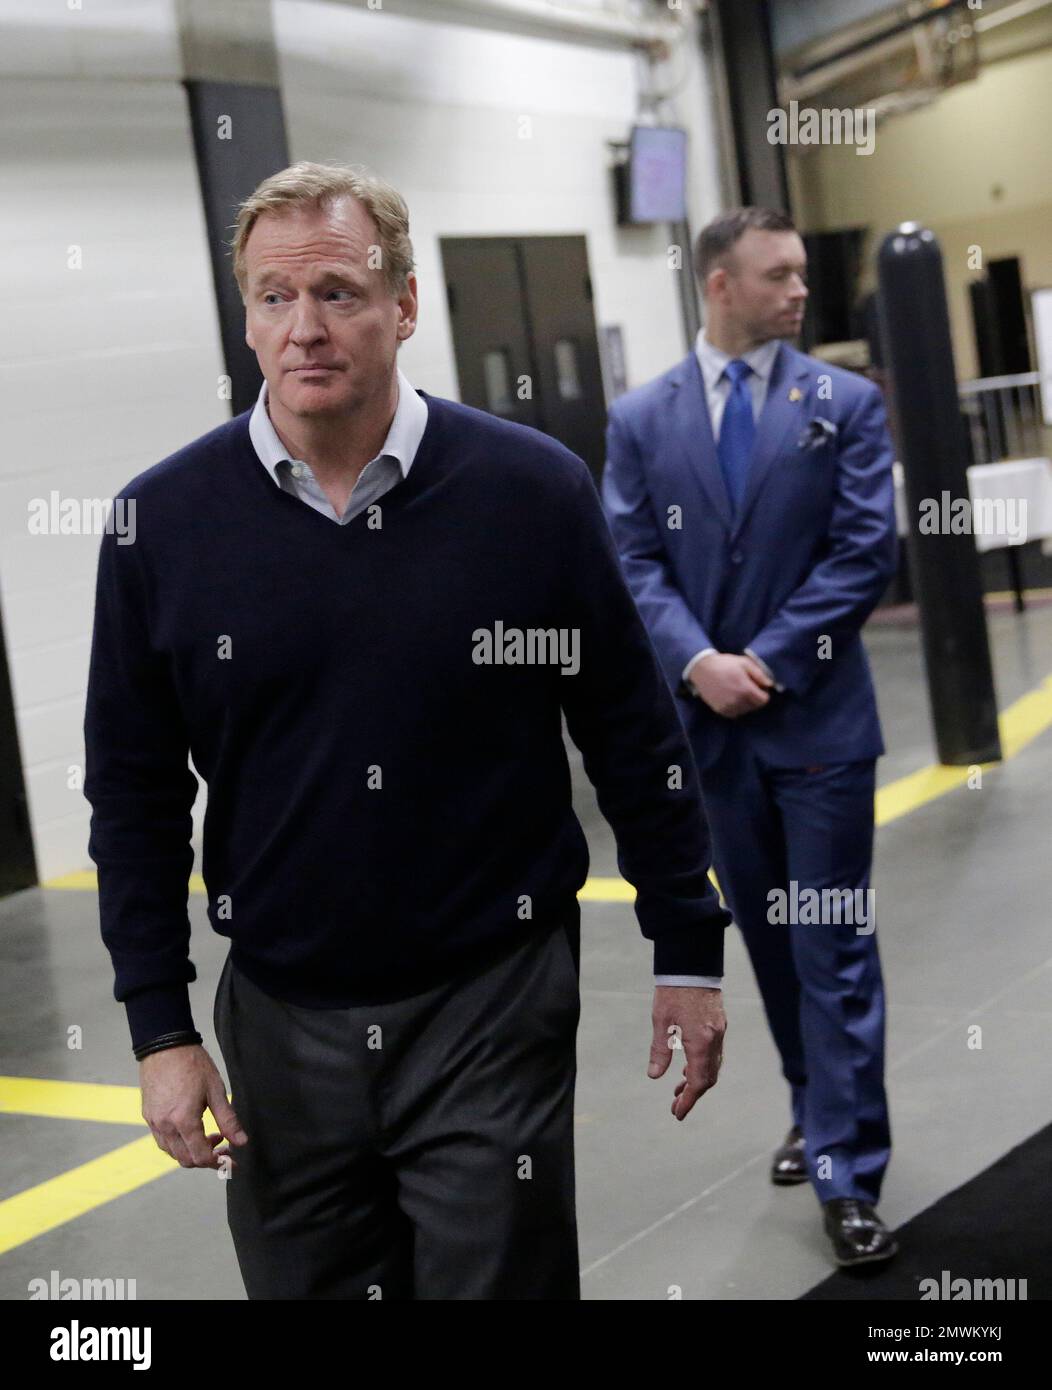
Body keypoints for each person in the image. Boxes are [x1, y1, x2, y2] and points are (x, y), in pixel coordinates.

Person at [83, 161, 731, 1300]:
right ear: (244, 318)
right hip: (280, 1015)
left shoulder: (528, 493)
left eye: (337, 291)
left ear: (404, 305)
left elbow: (629, 731)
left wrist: (685, 944)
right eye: (273, 299)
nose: (305, 328)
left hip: (491, 995)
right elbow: (132, 793)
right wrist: (157, 1028)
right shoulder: (162, 525)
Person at [601, 207, 899, 1268]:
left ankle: (848, 1170)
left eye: (802, 274)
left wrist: (762, 662)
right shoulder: (640, 419)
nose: (799, 290)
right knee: (766, 942)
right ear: (717, 285)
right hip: (711, 741)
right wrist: (696, 663)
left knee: (829, 944)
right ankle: (812, 1108)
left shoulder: (845, 404)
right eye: (778, 274)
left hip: (816, 726)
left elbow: (865, 549)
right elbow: (630, 560)